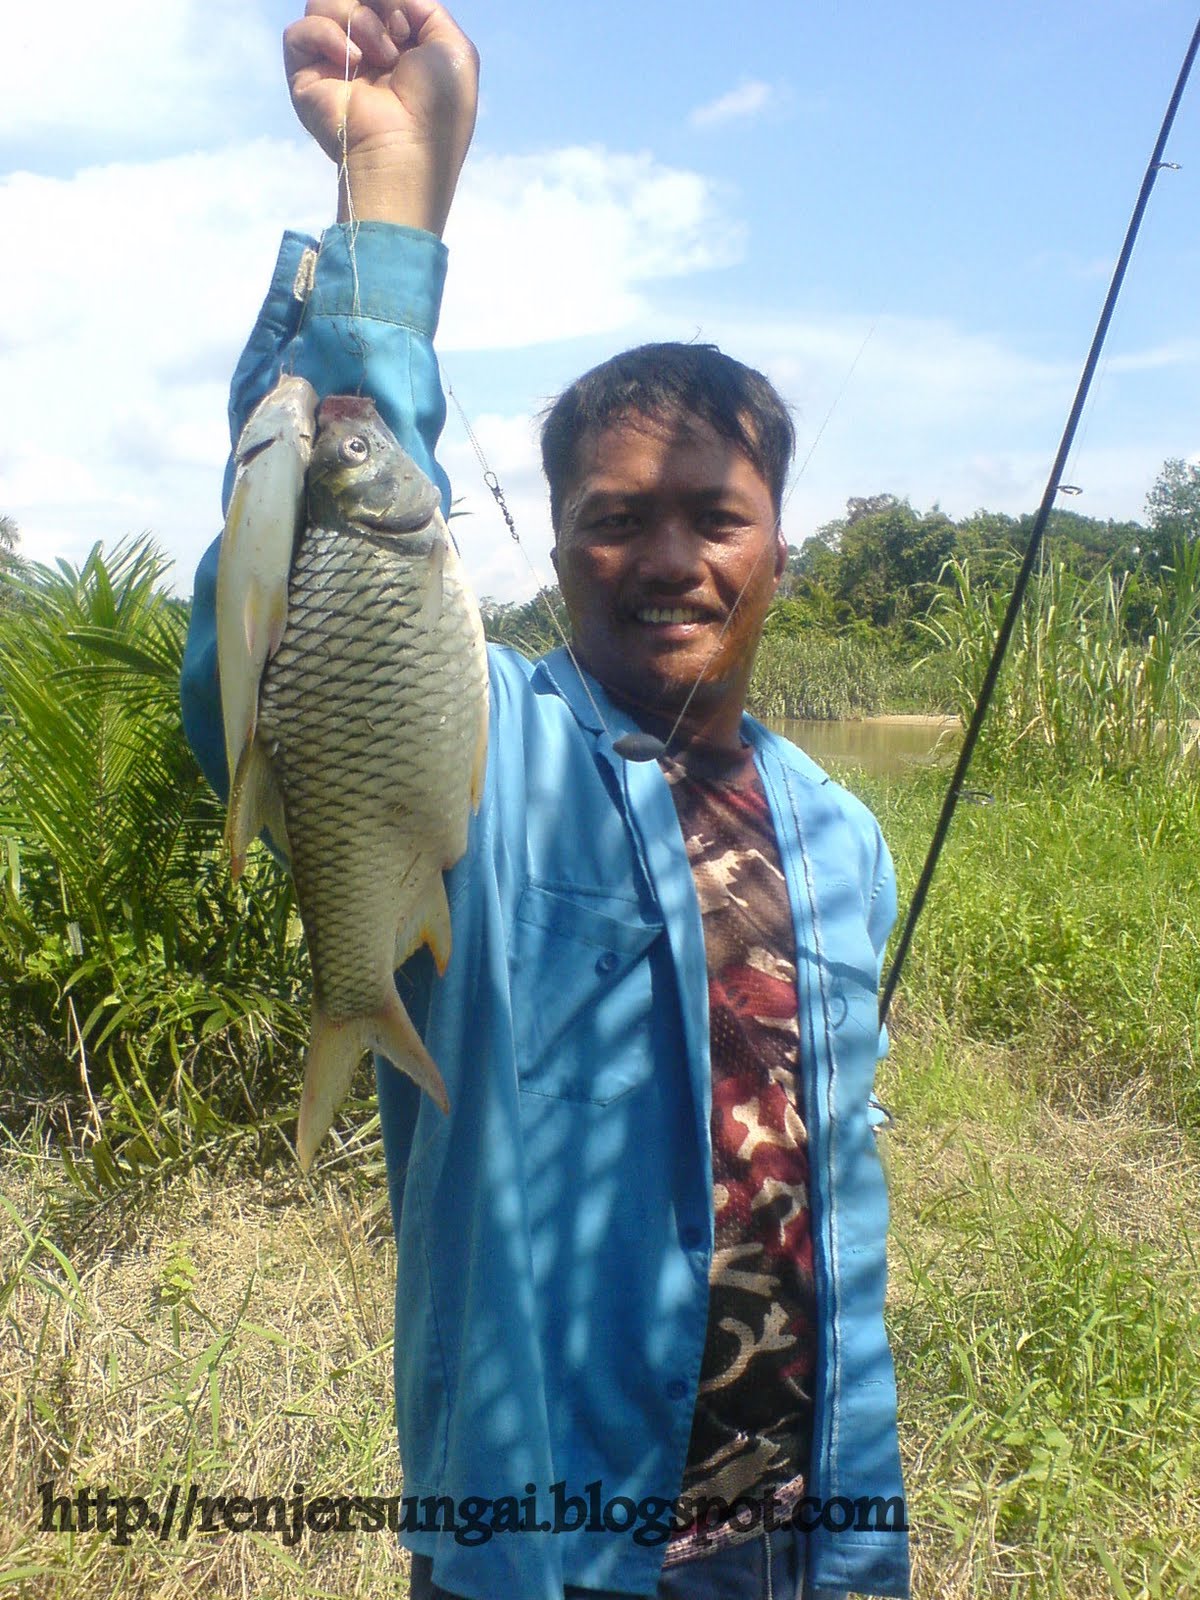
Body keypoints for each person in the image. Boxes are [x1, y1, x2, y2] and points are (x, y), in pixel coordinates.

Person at [180, 3, 909, 1597]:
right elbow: (299, 595)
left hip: (805, 1529)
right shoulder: (486, 749)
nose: (669, 559)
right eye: (614, 519)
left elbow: (828, 1187)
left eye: (716, 516)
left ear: (781, 547)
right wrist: (393, 205)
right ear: (558, 544)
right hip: (543, 1534)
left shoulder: (844, 841)